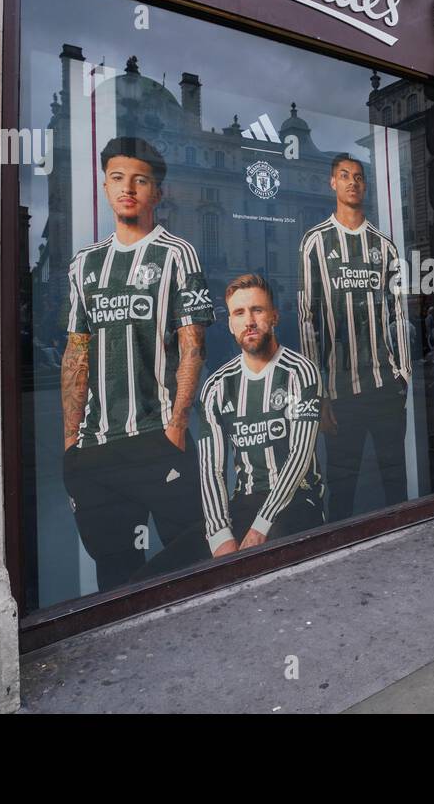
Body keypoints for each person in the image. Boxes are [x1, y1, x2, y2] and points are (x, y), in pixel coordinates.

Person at [60, 136, 216, 591]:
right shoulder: (84, 264)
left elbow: (193, 347)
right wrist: (71, 442)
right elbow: (76, 352)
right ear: (106, 187)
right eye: (118, 178)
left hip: (157, 438)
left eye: (140, 180)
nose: (128, 187)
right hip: (95, 449)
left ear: (156, 193)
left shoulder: (177, 254)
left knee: (191, 557)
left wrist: (177, 426)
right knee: (115, 574)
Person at [298, 154, 411, 522]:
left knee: (394, 476)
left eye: (359, 177)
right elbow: (307, 319)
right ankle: (339, 545)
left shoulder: (384, 246)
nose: (352, 182)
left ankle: (404, 536)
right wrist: (319, 395)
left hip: (384, 388)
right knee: (342, 481)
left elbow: (398, 314)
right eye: (344, 176)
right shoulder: (315, 243)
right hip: (339, 390)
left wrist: (404, 376)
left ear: (365, 185)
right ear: (333, 183)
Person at [197, 275, 326, 557]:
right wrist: (219, 535)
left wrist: (259, 528)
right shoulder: (216, 387)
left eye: (257, 310)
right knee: (176, 567)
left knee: (263, 560)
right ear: (231, 324)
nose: (249, 321)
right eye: (239, 313)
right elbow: (211, 469)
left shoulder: (300, 372)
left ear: (274, 317)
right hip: (244, 500)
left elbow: (301, 456)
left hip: (297, 498)